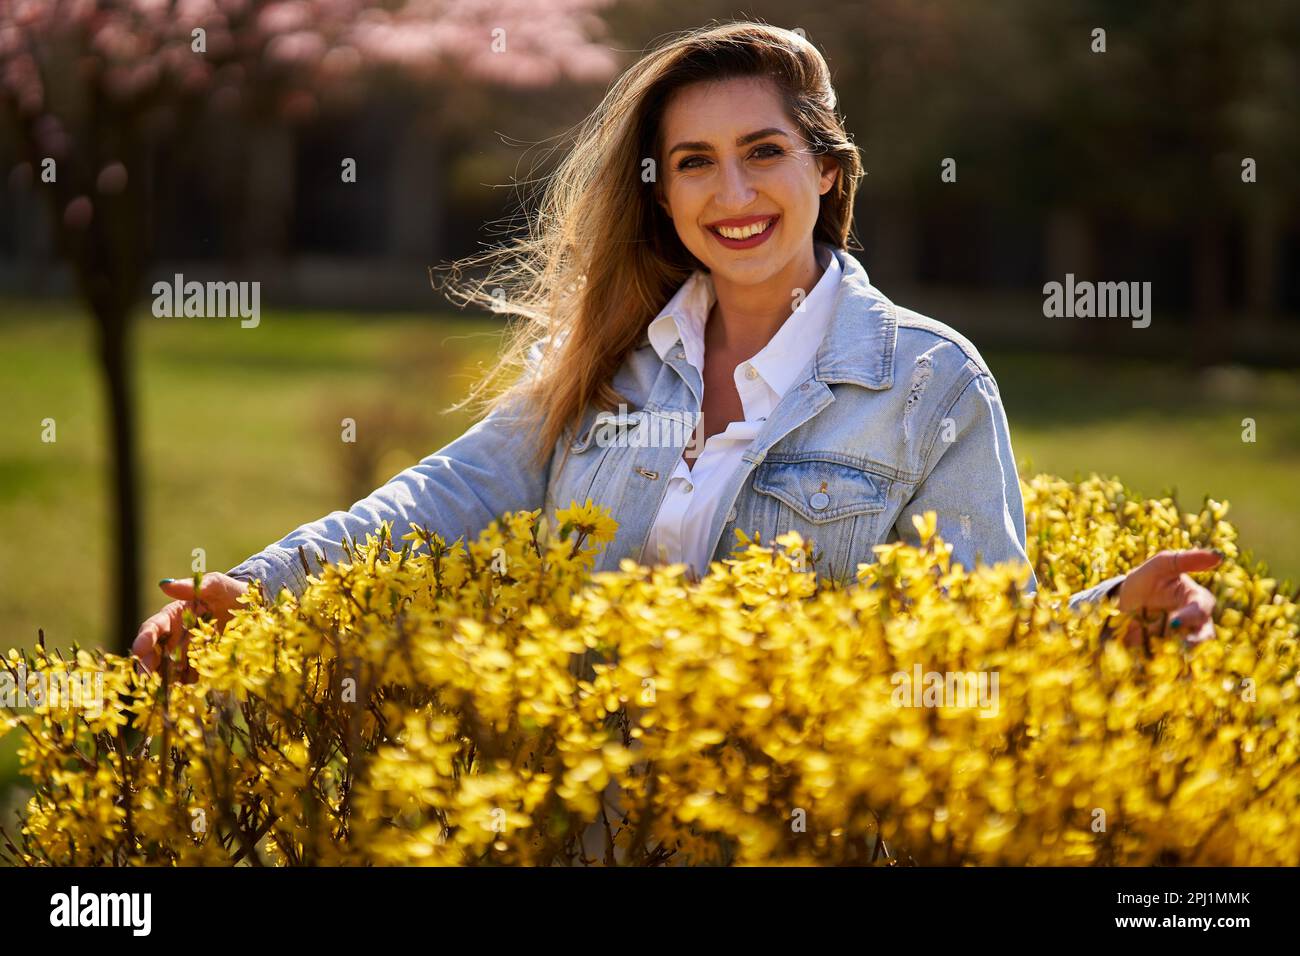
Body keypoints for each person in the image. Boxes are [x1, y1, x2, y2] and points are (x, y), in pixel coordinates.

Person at [133, 22, 1219, 679]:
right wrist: (257, 587)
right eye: (693, 162)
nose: (731, 194)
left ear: (828, 171)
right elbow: (440, 498)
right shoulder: (603, 356)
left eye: (763, 153)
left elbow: (979, 637)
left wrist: (1110, 614)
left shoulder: (928, 381)